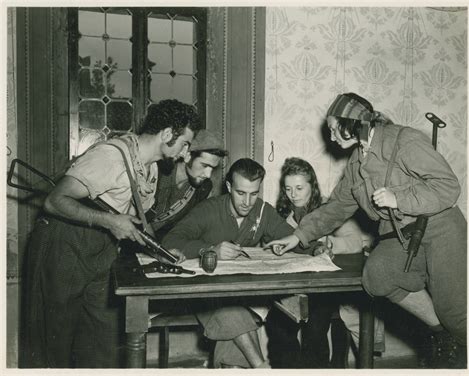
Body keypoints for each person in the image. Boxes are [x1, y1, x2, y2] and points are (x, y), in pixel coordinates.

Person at [266, 92, 467, 368]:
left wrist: (400, 198)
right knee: (377, 274)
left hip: (441, 226)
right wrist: (298, 235)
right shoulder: (357, 161)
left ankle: (455, 336)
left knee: (457, 313)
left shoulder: (404, 140)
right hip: (403, 235)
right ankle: (443, 333)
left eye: (335, 129)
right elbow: (337, 207)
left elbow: (448, 186)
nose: (333, 137)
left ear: (354, 124)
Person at [23, 99, 201, 368]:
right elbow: (55, 201)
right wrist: (109, 221)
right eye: (185, 143)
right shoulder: (110, 157)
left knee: (101, 346)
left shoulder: (150, 167)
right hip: (63, 245)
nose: (187, 153)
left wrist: (160, 252)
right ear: (166, 135)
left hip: (101, 251)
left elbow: (139, 221)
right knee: (53, 345)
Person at [162, 158, 297, 369]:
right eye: (240, 193)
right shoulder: (208, 209)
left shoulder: (262, 211)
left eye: (254, 194)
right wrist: (210, 250)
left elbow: (292, 238)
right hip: (202, 293)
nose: (247, 202)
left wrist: (317, 247)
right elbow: (170, 241)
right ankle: (261, 368)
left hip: (240, 294)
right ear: (228, 187)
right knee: (232, 311)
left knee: (236, 312)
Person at [265, 157, 382, 368]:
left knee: (315, 327)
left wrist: (328, 244)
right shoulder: (284, 213)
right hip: (294, 287)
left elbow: (354, 241)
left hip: (325, 286)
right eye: (288, 188)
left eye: (300, 188)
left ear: (313, 186)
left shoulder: (328, 208)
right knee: (277, 324)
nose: (293, 195)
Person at [146, 129, 228, 241]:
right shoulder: (156, 173)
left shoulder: (204, 188)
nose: (208, 175)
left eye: (212, 168)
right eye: (204, 165)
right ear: (187, 155)